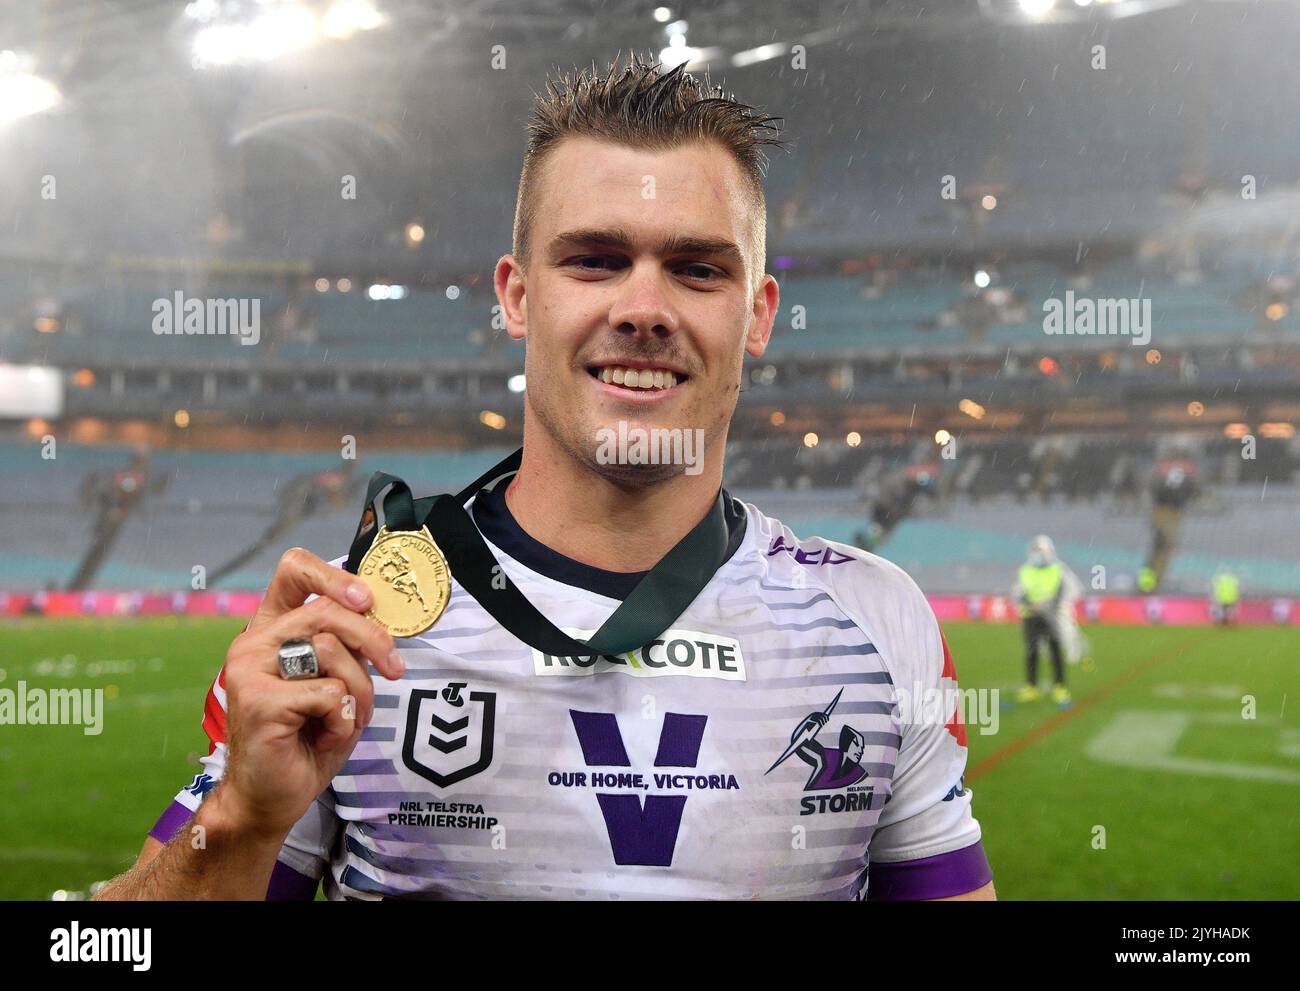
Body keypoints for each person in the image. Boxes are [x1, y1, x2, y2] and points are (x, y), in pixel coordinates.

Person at [96, 53, 993, 902]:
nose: (643, 310)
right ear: (518, 295)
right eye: (594, 259)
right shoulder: (348, 632)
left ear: (757, 314)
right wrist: (244, 820)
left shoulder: (876, 625)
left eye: (696, 269)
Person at [1012, 535, 1082, 705]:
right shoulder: (1025, 570)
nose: (1037, 554)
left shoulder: (1059, 569)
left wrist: (1049, 605)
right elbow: (1018, 592)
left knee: (1055, 650)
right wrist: (1030, 604)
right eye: (1035, 550)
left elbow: (1068, 590)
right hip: (1031, 616)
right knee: (1031, 651)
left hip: (1051, 616)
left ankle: (1060, 686)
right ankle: (1032, 686)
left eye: (1041, 550)